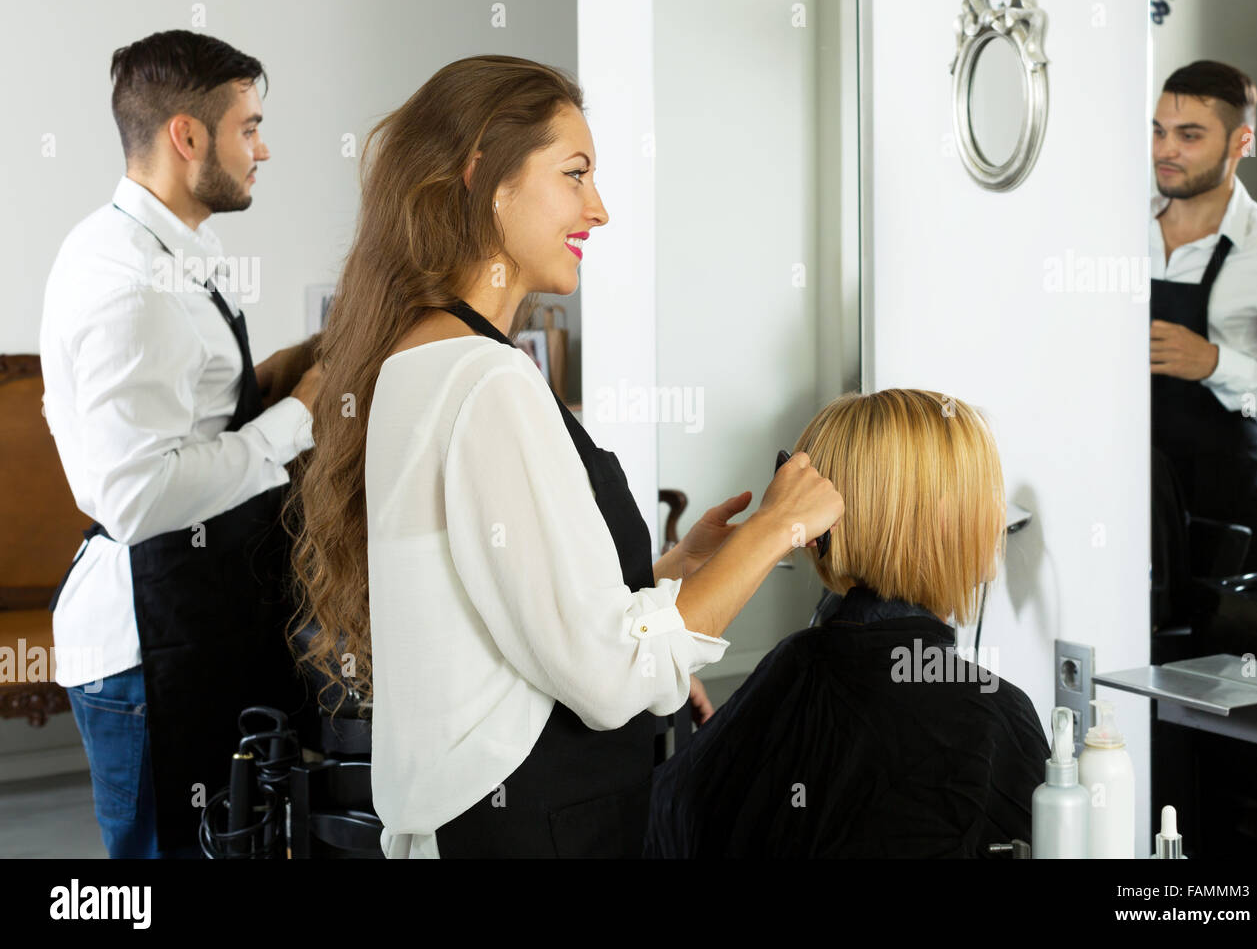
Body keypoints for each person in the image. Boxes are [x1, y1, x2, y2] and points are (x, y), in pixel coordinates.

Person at [288, 55, 843, 858]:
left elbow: (522, 613)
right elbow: (610, 674)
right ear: (487, 175)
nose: (600, 209)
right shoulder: (486, 381)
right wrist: (778, 530)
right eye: (574, 174)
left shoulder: (420, 356)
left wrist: (671, 576)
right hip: (526, 826)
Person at [40, 30, 321, 858]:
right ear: (187, 136)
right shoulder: (127, 279)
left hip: (197, 611)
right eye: (250, 128)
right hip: (145, 647)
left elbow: (194, 410)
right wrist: (299, 417)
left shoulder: (176, 247)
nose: (263, 149)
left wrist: (299, 367)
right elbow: (138, 494)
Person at [645, 389, 1049, 857]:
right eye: (986, 496)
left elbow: (663, 818)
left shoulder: (790, 663)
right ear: (940, 520)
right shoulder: (993, 717)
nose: (997, 516)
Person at [1150, 60, 1257, 574]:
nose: (1166, 150)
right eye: (1159, 131)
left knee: (1221, 655)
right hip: (1135, 503)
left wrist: (1215, 363)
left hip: (1228, 514)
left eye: (1188, 135)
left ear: (1241, 143)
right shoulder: (1119, 225)